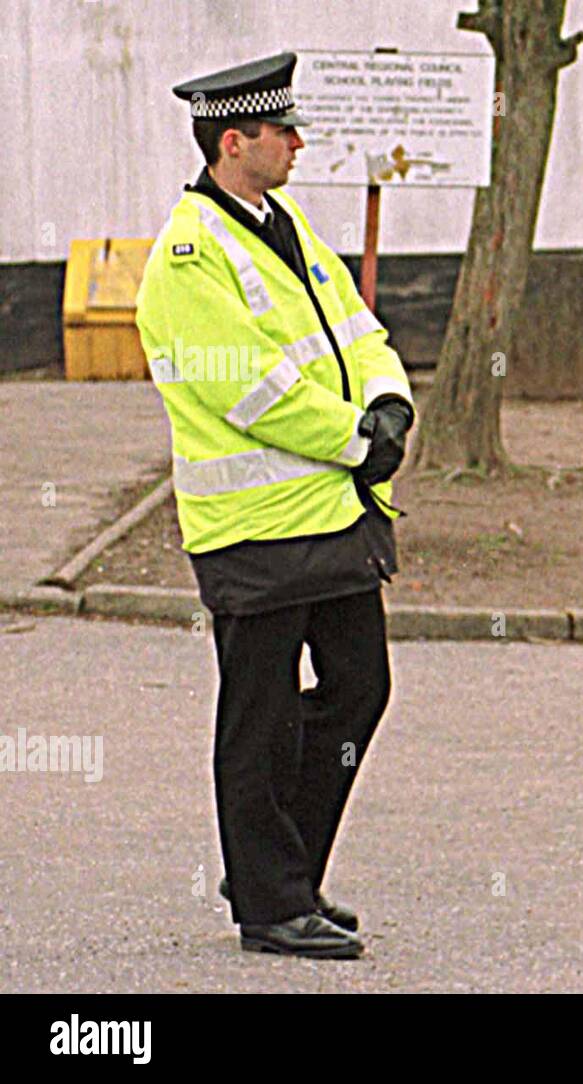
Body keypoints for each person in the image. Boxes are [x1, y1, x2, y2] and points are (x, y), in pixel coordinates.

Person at [135, 53, 416, 957]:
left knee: (359, 690)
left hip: (329, 518)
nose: (298, 142)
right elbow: (246, 389)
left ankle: (275, 869)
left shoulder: (283, 220)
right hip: (253, 532)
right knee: (259, 718)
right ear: (233, 143)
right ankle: (270, 903)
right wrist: (355, 438)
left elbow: (355, 326)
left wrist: (390, 400)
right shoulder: (189, 253)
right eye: (281, 131)